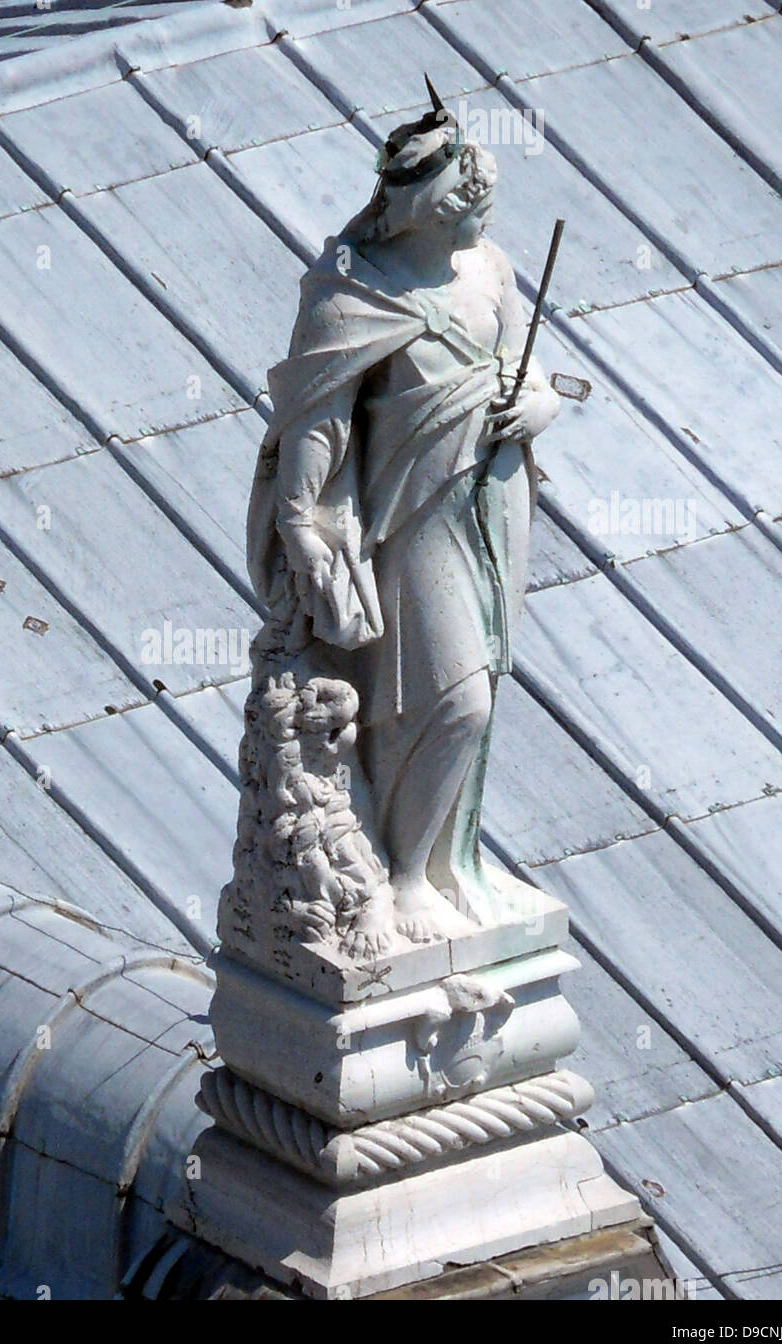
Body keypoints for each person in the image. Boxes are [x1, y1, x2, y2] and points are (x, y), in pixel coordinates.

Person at [246, 102, 560, 942]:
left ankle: (453, 858)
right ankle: (408, 872)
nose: (483, 215)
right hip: (408, 512)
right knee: (444, 697)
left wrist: (542, 401)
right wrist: (302, 524)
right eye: (468, 199)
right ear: (424, 206)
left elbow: (523, 364)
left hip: (495, 492)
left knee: (482, 678)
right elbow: (318, 415)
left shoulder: (490, 268)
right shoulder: (353, 291)